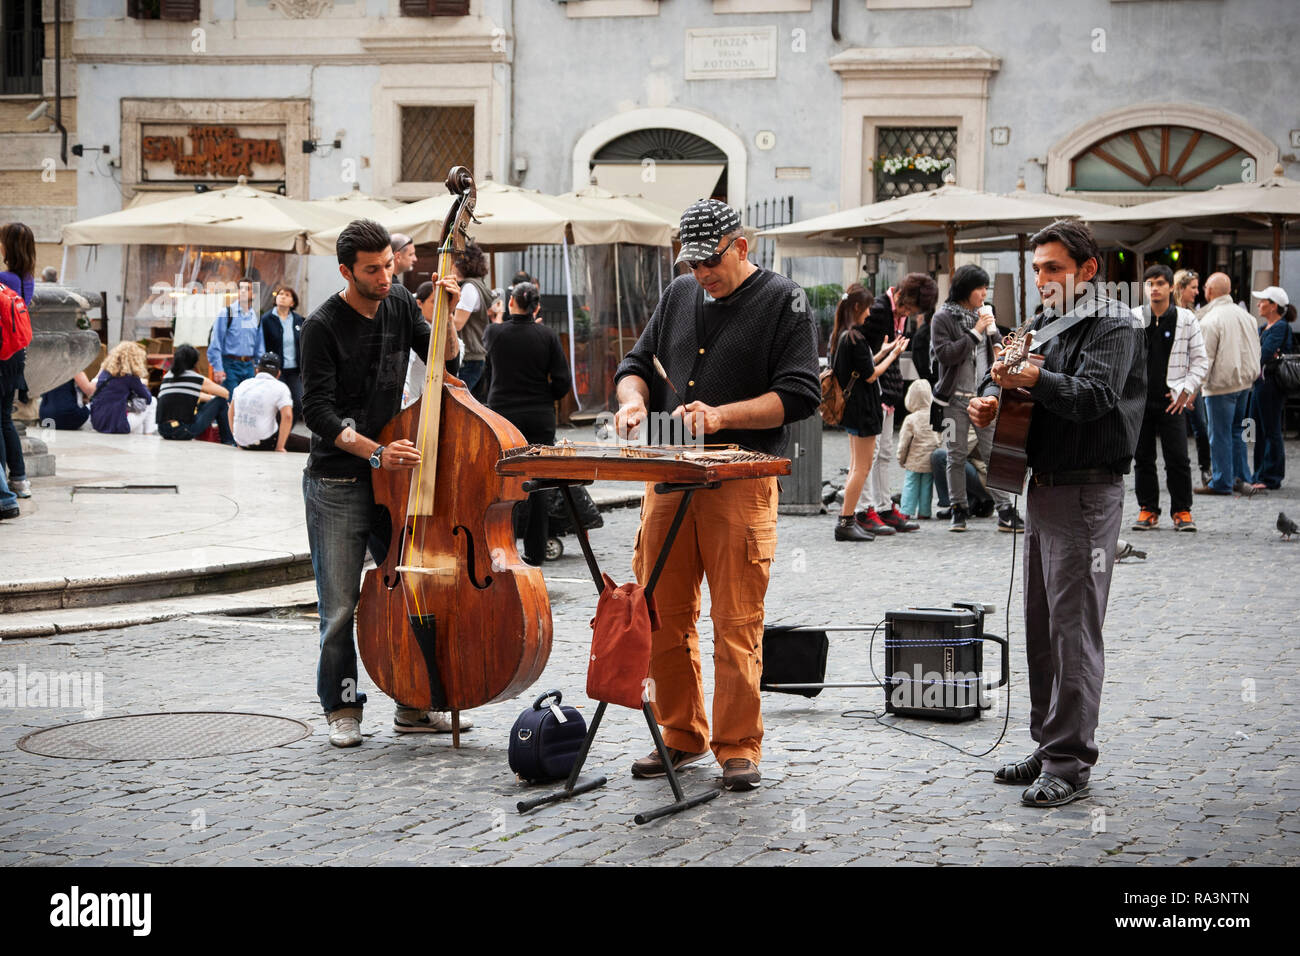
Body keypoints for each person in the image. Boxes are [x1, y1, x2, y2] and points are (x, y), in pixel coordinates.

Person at [613, 198, 820, 792]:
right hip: (671, 476)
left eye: (711, 261)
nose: (701, 272)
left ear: (742, 247)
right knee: (662, 613)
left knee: (736, 620)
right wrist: (633, 400)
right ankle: (682, 734)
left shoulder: (784, 300)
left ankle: (739, 746)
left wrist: (722, 415)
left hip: (740, 482)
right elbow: (635, 363)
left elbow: (800, 394)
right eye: (692, 262)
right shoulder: (679, 293)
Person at [967, 219, 1145, 808]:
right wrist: (994, 407)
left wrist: (1033, 377)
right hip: (1042, 486)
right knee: (1042, 630)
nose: (1041, 279)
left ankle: (1071, 760)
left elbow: (1094, 398)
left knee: (1073, 631)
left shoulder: (1115, 322)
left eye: (1054, 269)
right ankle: (1049, 745)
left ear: (1087, 271)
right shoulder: (1041, 323)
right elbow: (1027, 394)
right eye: (1036, 269)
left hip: (1088, 491)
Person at [300, 218, 465, 749]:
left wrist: (446, 314)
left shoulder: (397, 304)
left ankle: (414, 705)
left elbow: (442, 356)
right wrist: (375, 453)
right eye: (372, 271)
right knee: (341, 607)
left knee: (411, 588)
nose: (385, 278)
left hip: (392, 481)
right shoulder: (322, 325)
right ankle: (342, 706)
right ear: (346, 271)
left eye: (388, 266)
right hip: (338, 479)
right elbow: (317, 413)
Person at [931, 264, 1023, 533]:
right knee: (955, 455)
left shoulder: (984, 314)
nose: (984, 293)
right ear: (966, 289)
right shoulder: (943, 318)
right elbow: (945, 354)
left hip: (985, 396)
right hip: (953, 400)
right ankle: (958, 509)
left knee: (994, 453)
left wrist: (996, 340)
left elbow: (996, 347)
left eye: (986, 287)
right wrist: (976, 331)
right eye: (980, 288)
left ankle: (1005, 510)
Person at [485, 282, 571, 564]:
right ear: (537, 308)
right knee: (539, 482)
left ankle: (502, 545)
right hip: (538, 414)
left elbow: (487, 372)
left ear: (511, 304)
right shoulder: (547, 335)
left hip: (502, 416)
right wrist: (547, 396)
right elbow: (562, 382)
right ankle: (535, 551)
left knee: (504, 480)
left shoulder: (494, 333)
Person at [1130, 264, 1207, 532]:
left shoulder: (1186, 319)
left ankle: (1182, 510)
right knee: (1142, 458)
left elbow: (1200, 361)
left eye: (1160, 283)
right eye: (1150, 283)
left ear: (1171, 287)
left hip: (1172, 399)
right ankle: (1148, 508)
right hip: (1141, 401)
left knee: (1178, 458)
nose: (1155, 288)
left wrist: (1186, 389)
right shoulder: (1134, 317)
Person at [854, 274, 934, 535]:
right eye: (908, 307)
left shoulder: (896, 311)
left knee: (884, 452)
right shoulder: (877, 310)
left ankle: (883, 506)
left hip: (886, 390)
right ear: (900, 294)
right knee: (870, 455)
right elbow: (862, 352)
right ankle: (863, 510)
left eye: (912, 310)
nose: (908, 313)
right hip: (870, 390)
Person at [828, 286, 904, 542]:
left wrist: (884, 351)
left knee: (855, 466)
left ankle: (847, 519)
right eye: (868, 307)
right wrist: (893, 355)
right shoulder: (855, 338)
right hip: (864, 409)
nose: (871, 313)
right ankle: (846, 520)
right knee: (862, 467)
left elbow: (864, 365)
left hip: (853, 409)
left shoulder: (843, 336)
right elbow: (871, 374)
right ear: (858, 308)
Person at [1194, 272, 1262, 496]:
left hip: (1221, 385)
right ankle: (1241, 476)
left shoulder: (1211, 320)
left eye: (1205, 287)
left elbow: (1206, 359)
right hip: (1244, 383)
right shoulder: (1247, 316)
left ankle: (1222, 481)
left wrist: (1195, 387)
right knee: (1238, 432)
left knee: (1220, 434)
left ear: (1210, 291)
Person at [0, 222, 35, 498]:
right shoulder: (27, 279)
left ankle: (2, 482)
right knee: (5, 420)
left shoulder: (4, 279)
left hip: (1, 354)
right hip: (16, 355)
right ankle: (20, 479)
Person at [1249, 285, 1295, 489]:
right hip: (1259, 383)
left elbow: (1262, 354)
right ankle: (1259, 473)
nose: (1258, 304)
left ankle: (1271, 476)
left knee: (1271, 429)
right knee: (1254, 428)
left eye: (1263, 301)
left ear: (1273, 306)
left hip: (1272, 385)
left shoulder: (1281, 327)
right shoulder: (1263, 328)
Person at [1173, 269, 1211, 485]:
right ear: (1181, 288)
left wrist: (1193, 387)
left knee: (1201, 427)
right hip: (1170, 381)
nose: (1197, 292)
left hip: (1190, 380)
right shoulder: (1168, 314)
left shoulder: (1194, 316)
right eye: (1193, 287)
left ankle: (1206, 469)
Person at [155, 344, 235, 444]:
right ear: (194, 362)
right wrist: (212, 399)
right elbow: (225, 394)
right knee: (221, 402)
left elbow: (187, 396)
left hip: (163, 430)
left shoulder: (167, 376)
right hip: (182, 431)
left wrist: (208, 398)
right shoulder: (196, 378)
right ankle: (228, 442)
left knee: (202, 403)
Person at [230, 352, 308, 452]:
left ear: (257, 371)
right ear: (278, 374)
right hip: (266, 442)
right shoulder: (280, 387)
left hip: (243, 443)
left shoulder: (243, 384)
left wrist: (238, 441)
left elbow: (230, 413)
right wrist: (280, 447)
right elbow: (288, 416)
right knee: (309, 444)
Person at [206, 276, 265, 394]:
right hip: (229, 365)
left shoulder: (256, 317)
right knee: (231, 402)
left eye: (247, 289)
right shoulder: (226, 313)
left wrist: (260, 368)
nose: (242, 291)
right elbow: (216, 342)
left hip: (249, 366)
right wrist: (218, 369)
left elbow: (259, 345)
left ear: (253, 295)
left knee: (248, 400)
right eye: (240, 288)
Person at [449, 242, 492, 391]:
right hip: (474, 356)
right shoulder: (477, 284)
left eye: (452, 260)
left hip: (469, 357)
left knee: (457, 401)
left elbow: (457, 324)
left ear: (460, 263)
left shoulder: (469, 288)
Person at [896, 377, 939, 519]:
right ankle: (925, 512)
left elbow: (904, 443)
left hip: (914, 461)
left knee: (910, 484)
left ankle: (906, 512)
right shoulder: (935, 415)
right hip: (930, 461)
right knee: (927, 486)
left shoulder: (910, 419)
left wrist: (901, 459)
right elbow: (940, 437)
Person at [90, 342, 155, 435]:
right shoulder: (130, 377)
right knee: (153, 401)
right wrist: (143, 384)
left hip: (98, 422)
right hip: (117, 425)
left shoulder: (105, 373)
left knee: (137, 420)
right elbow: (147, 399)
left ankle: (139, 438)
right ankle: (148, 436)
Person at [260, 286, 305, 419]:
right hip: (275, 370)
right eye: (280, 294)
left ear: (293, 302)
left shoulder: (298, 320)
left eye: (287, 295)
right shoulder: (266, 319)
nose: (283, 296)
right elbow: (261, 344)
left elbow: (303, 343)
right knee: (275, 403)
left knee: (298, 403)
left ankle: (285, 433)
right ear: (276, 298)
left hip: (294, 370)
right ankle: (276, 434)